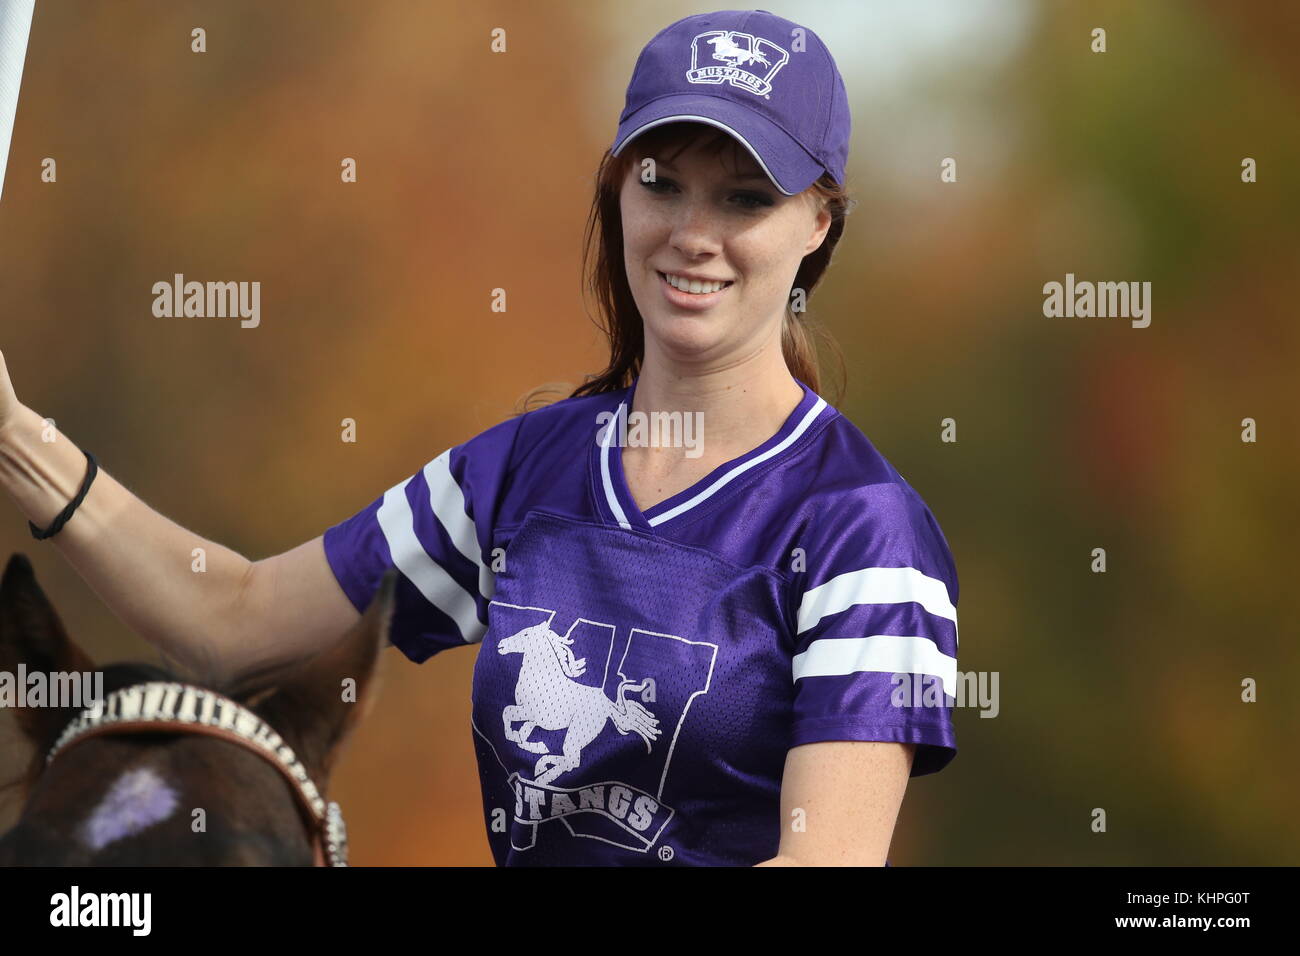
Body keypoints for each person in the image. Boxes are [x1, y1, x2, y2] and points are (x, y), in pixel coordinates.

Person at [0, 8, 959, 866]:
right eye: (662, 183)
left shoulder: (863, 531)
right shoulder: (520, 473)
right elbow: (236, 625)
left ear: (818, 225)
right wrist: (13, 434)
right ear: (618, 191)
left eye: (747, 198)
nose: (693, 234)